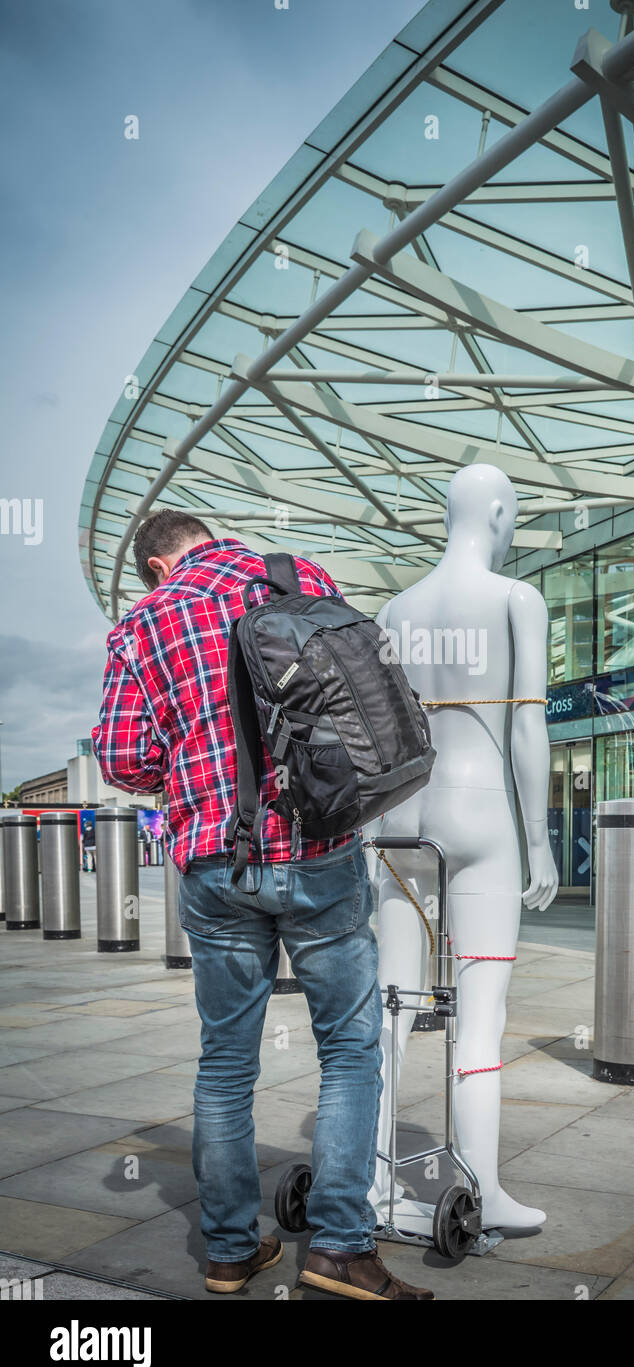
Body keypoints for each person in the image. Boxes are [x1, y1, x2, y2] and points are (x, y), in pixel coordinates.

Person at [93, 509, 432, 1302]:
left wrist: (190, 774)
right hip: (317, 852)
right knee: (349, 1050)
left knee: (224, 1065)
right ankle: (342, 1248)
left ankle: (229, 1252)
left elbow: (122, 757)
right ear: (209, 537)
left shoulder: (142, 623)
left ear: (153, 565)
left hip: (215, 865)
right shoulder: (297, 576)